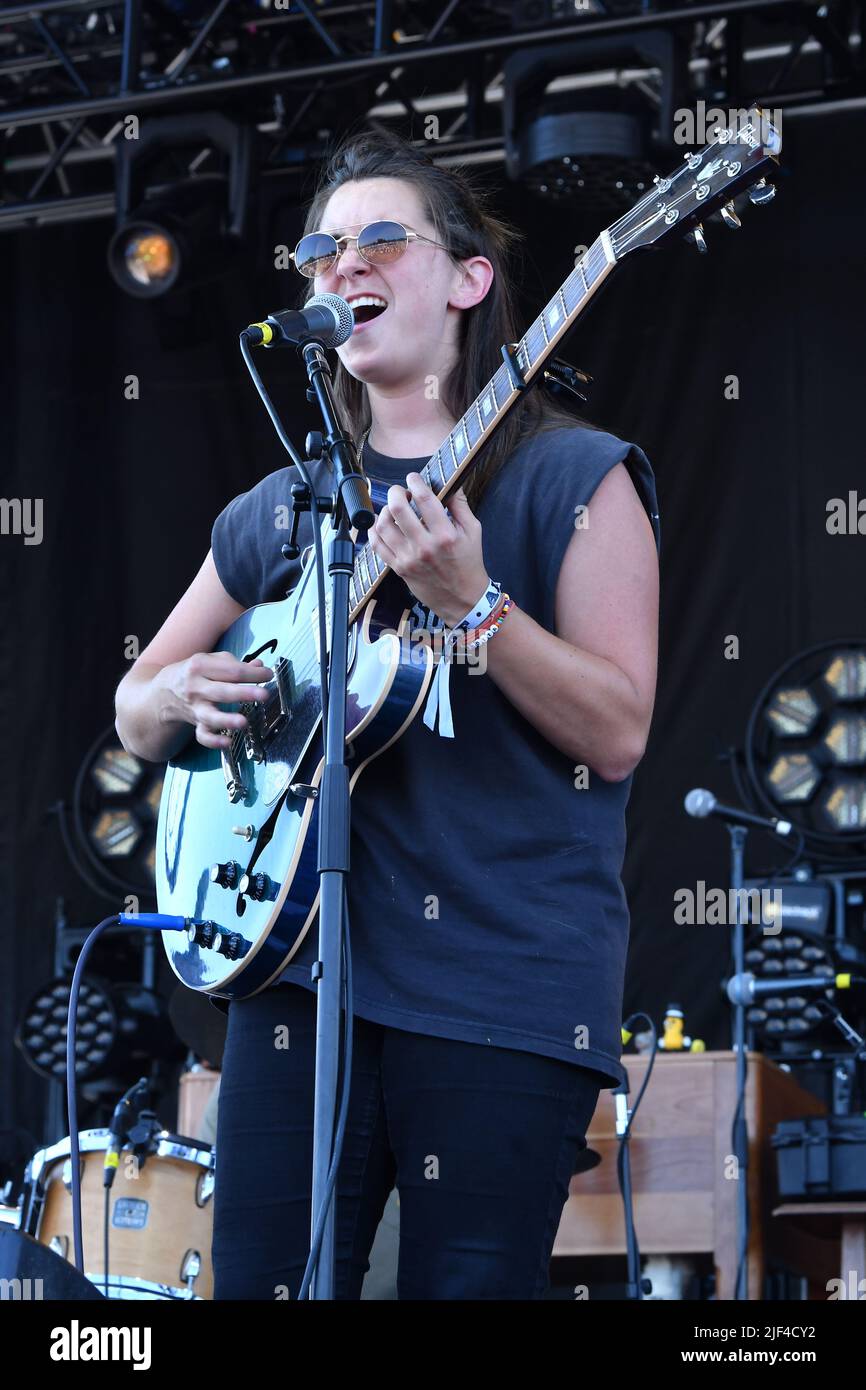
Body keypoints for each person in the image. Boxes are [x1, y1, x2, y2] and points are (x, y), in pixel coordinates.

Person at [115, 127, 660, 1301]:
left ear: (469, 281)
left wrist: (476, 604)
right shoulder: (279, 508)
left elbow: (616, 729)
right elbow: (135, 708)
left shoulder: (574, 476)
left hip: (498, 988)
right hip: (299, 982)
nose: (338, 269)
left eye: (376, 241)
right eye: (318, 252)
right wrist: (180, 692)